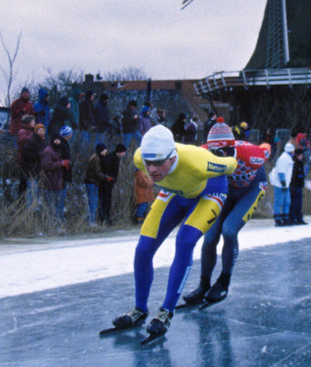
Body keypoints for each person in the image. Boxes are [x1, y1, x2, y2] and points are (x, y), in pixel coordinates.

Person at [109, 125, 238, 341]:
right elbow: (151, 164)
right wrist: (155, 164)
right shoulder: (140, 157)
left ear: (172, 157)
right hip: (175, 193)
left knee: (185, 241)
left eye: (158, 163)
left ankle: (166, 312)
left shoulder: (197, 162)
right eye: (149, 163)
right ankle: (140, 310)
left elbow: (230, 164)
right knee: (143, 250)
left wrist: (236, 155)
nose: (152, 170)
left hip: (210, 192)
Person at [183, 119, 268, 307]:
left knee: (229, 230)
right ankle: (204, 284)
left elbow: (264, 157)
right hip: (226, 191)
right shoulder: (202, 152)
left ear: (232, 147)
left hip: (251, 189)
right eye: (215, 152)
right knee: (210, 236)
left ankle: (224, 280)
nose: (221, 156)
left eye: (225, 152)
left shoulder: (252, 154)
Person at [40, 133, 71, 226]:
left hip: (58, 182)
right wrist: (60, 163)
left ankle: (56, 224)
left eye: (59, 140)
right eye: (55, 140)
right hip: (50, 182)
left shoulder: (58, 150)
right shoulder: (48, 151)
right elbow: (46, 165)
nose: (57, 142)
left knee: (57, 204)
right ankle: (51, 224)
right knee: (51, 205)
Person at [84, 144, 114, 225]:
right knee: (93, 202)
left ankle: (91, 220)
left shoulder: (96, 157)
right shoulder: (96, 159)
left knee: (93, 202)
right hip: (92, 183)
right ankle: (91, 221)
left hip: (93, 182)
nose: (106, 151)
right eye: (104, 150)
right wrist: (107, 177)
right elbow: (97, 173)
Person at [99, 143, 127, 224]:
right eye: (123, 152)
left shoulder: (114, 157)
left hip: (109, 182)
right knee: (105, 201)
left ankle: (105, 218)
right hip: (106, 182)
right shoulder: (111, 158)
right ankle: (105, 218)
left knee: (106, 201)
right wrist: (109, 178)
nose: (124, 154)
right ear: (120, 152)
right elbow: (106, 170)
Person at [270, 142, 295, 226]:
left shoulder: (288, 158)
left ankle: (285, 218)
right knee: (278, 202)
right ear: (291, 151)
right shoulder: (283, 159)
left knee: (287, 202)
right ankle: (278, 220)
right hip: (280, 184)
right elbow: (281, 172)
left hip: (285, 184)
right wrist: (283, 183)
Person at [288, 133, 309, 225]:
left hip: (298, 185)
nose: (302, 156)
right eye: (301, 155)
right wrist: (295, 184)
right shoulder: (295, 163)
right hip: (295, 186)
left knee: (298, 203)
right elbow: (294, 175)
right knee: (294, 203)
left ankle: (298, 218)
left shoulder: (299, 163)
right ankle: (294, 218)